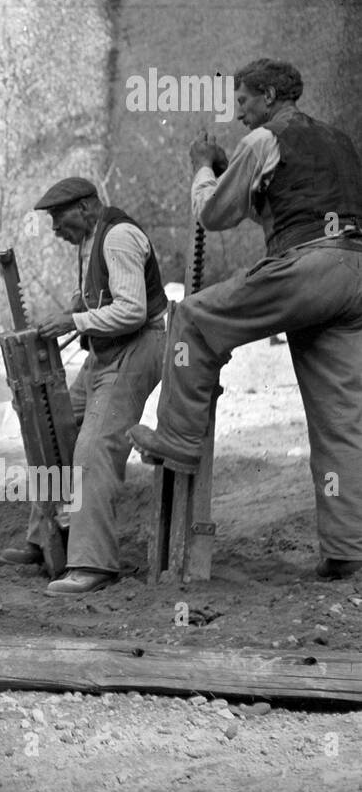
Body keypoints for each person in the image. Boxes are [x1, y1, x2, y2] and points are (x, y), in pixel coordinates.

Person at [129, 58, 362, 579]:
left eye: (244, 100)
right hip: (354, 273)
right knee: (341, 420)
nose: (239, 113)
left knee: (192, 317)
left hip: (309, 267)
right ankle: (348, 549)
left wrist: (205, 166)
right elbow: (284, 204)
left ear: (272, 97)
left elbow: (214, 215)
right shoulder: (340, 142)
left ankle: (178, 437)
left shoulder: (264, 139)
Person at [0, 176, 167, 595]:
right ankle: (46, 539)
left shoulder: (119, 237)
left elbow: (131, 311)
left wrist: (74, 322)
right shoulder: (90, 242)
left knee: (93, 449)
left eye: (59, 218)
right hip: (106, 352)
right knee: (53, 428)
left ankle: (94, 564)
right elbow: (96, 293)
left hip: (137, 347)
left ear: (87, 208)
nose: (54, 229)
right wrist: (72, 310)